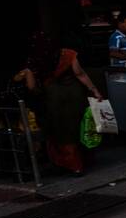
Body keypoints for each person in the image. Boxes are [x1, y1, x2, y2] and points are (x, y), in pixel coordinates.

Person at [14, 32, 101, 175]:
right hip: (75, 95)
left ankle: (73, 165)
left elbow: (32, 88)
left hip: (53, 100)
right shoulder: (68, 54)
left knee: (61, 132)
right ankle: (85, 160)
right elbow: (80, 74)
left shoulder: (33, 61)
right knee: (79, 127)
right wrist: (94, 90)